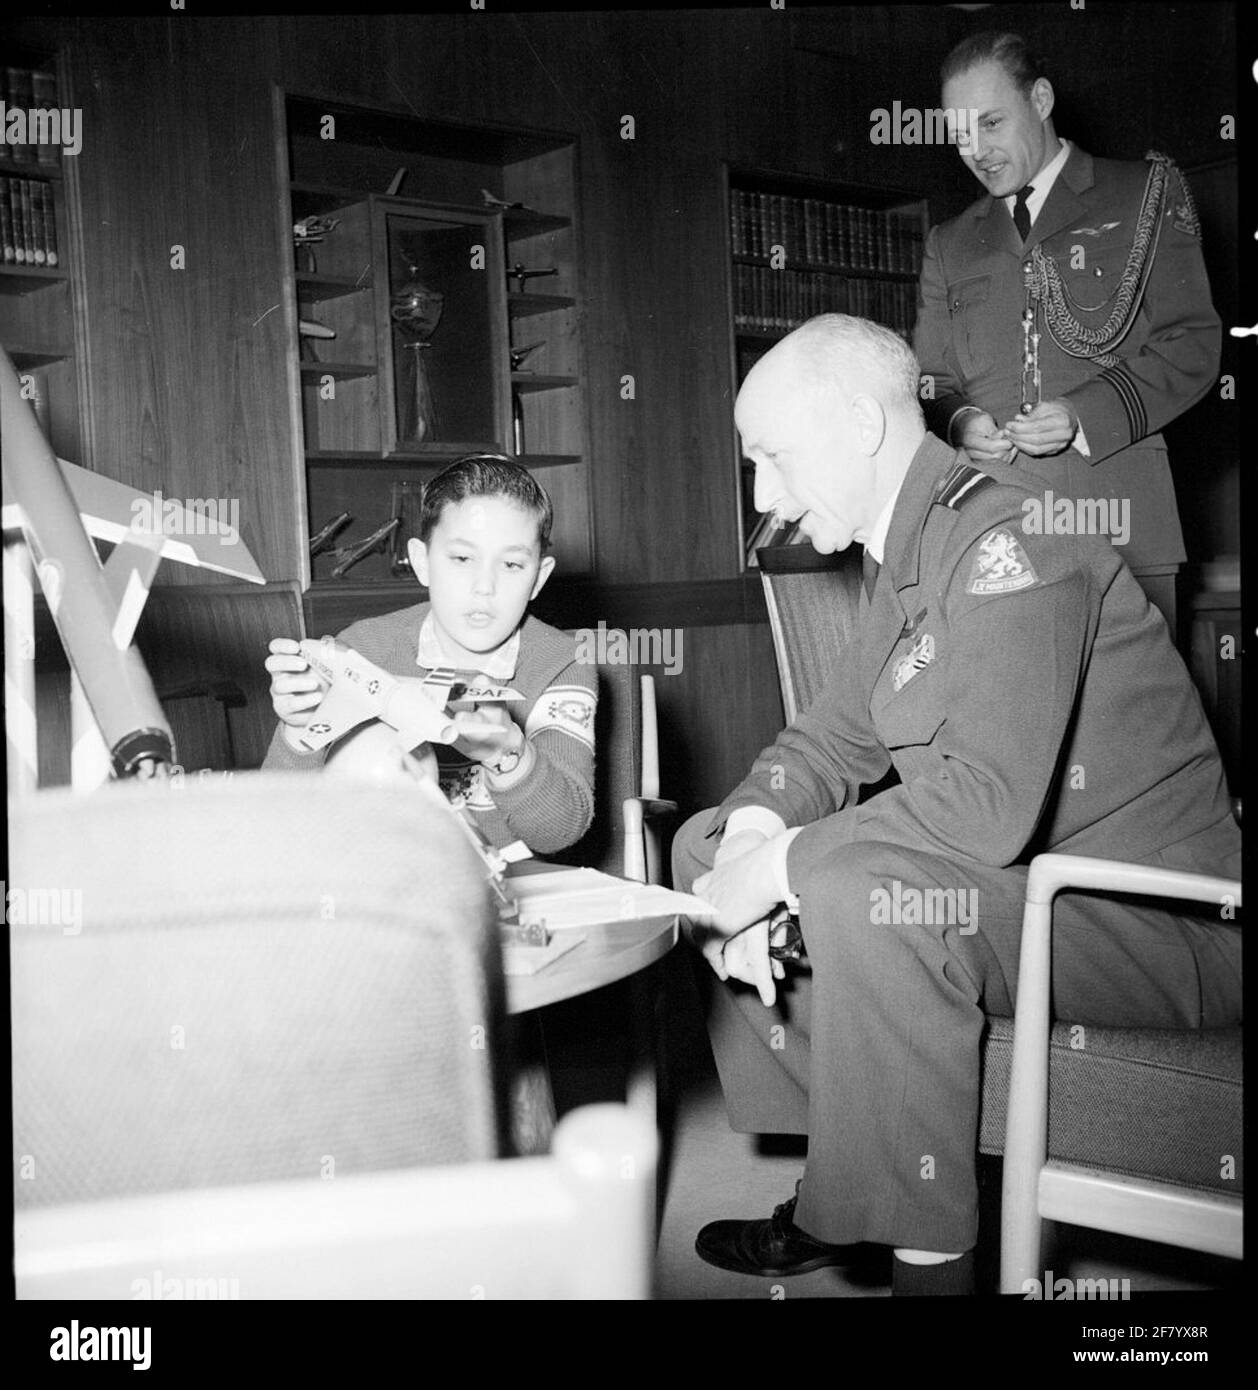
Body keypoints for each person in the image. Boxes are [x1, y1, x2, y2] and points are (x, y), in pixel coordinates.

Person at [673, 314, 1240, 1295]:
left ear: (857, 423)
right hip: (1035, 894)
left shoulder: (1009, 534)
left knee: (852, 885)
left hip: (1162, 924)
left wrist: (774, 872)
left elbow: (982, 806)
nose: (761, 498)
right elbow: (822, 742)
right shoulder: (918, 551)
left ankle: (918, 1253)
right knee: (708, 838)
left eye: (769, 457)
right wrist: (753, 835)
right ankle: (849, 1187)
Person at [913, 30, 1220, 630]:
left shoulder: (1142, 194)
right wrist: (962, 422)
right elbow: (930, 380)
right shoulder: (950, 244)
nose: (977, 150)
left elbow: (1193, 344)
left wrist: (1083, 417)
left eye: (992, 123)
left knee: (1140, 721)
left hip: (1121, 529)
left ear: (1043, 100)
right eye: (959, 136)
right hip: (996, 539)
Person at [263, 454, 596, 856]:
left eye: (511, 564)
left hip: (505, 887)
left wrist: (506, 754)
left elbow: (559, 831)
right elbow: (278, 818)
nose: (484, 586)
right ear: (421, 562)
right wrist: (300, 729)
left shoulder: (562, 662)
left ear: (538, 577)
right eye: (461, 558)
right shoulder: (362, 649)